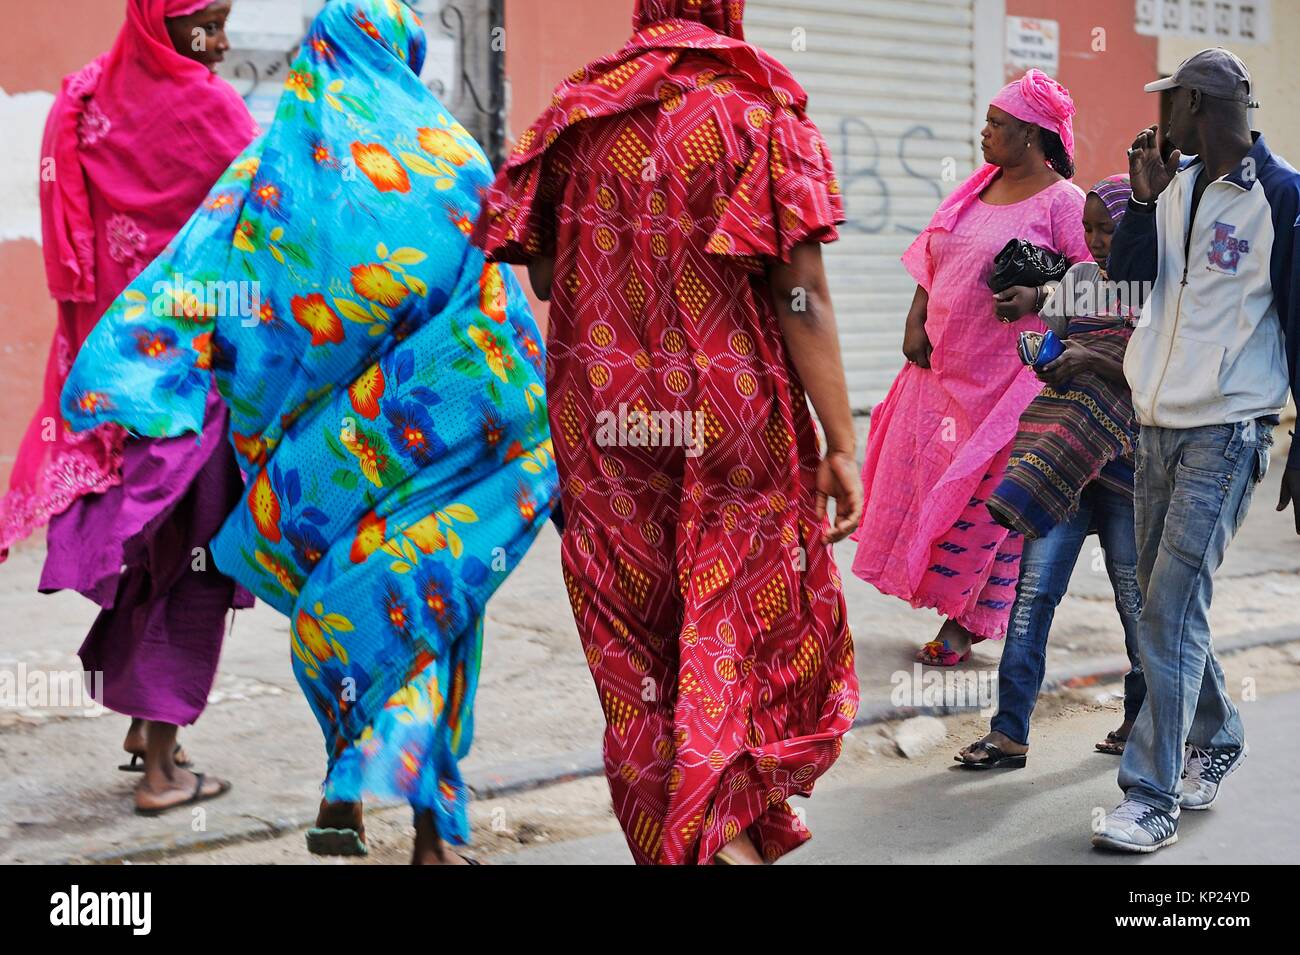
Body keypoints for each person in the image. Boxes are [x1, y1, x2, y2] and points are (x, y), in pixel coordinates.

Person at [62, 0, 558, 864]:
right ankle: (435, 838)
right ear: (402, 57)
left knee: (346, 603)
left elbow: (188, 289)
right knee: (427, 611)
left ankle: (346, 788)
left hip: (316, 464)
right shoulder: (456, 167)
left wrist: (126, 382)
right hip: (435, 451)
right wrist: (524, 433)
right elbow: (504, 320)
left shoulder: (268, 173)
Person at [473, 0, 861, 865]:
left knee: (634, 656)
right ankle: (721, 839)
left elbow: (540, 269)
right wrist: (840, 438)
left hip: (600, 423)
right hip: (732, 424)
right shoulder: (756, 114)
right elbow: (800, 291)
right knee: (730, 634)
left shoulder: (573, 116)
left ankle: (697, 840)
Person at [0, 0, 256, 812]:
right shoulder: (209, 104)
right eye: (203, 25)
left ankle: (146, 732)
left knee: (150, 547)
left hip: (114, 376)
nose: (219, 41)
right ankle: (162, 771)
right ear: (158, 25)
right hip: (191, 381)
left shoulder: (93, 96)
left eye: (223, 21)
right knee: (193, 559)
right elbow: (268, 208)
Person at [1093, 48, 1299, 853]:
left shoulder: (1282, 198)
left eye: (1166, 102)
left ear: (1200, 106)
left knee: (1169, 610)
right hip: (1155, 425)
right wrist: (1142, 205)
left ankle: (1151, 794)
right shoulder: (1172, 187)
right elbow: (1128, 277)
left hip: (1229, 429)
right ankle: (1218, 733)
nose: (1156, 118)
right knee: (1162, 607)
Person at [850, 69, 1093, 666]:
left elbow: (1094, 283)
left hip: (1010, 380)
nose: (984, 132)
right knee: (926, 487)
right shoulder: (973, 190)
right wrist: (916, 320)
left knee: (988, 505)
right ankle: (950, 602)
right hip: (940, 375)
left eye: (997, 124)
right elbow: (935, 256)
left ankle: (970, 622)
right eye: (986, 120)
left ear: (1033, 135)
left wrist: (1039, 300)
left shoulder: (1064, 202)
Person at [956, 175, 1148, 769]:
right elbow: (1055, 342)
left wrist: (1096, 362)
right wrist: (1043, 357)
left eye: (1107, 229)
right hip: (1065, 463)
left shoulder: (1160, 287)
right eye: (1088, 228)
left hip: (1127, 469)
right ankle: (1009, 731)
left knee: (1135, 599)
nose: (1093, 240)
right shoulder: (1080, 282)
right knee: (1034, 595)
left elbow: (1161, 375)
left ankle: (1142, 724)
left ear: (1136, 230)